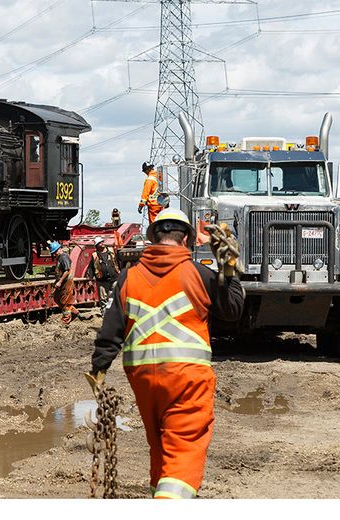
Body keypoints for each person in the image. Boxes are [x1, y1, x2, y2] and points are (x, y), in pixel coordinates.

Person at [87, 208, 244, 499]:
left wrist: (99, 370)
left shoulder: (127, 278)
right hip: (187, 376)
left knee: (160, 446)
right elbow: (232, 310)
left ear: (153, 238)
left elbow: (110, 329)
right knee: (184, 445)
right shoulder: (201, 275)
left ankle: (158, 492)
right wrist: (229, 270)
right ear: (185, 238)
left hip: (143, 378)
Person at [88, 236, 120, 313]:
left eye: (102, 242)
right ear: (97, 245)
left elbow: (118, 261)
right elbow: (91, 268)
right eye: (100, 242)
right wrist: (90, 279)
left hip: (114, 278)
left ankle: (113, 313)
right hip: (102, 280)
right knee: (103, 298)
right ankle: (104, 313)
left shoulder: (111, 251)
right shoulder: (95, 255)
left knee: (114, 296)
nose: (102, 243)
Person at [50, 241, 79, 324]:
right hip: (63, 282)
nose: (54, 254)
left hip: (67, 282)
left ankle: (65, 321)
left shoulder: (64, 257)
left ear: (59, 249)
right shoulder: (60, 258)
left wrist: (60, 281)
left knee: (65, 301)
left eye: (55, 252)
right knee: (57, 298)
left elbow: (67, 270)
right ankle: (75, 312)